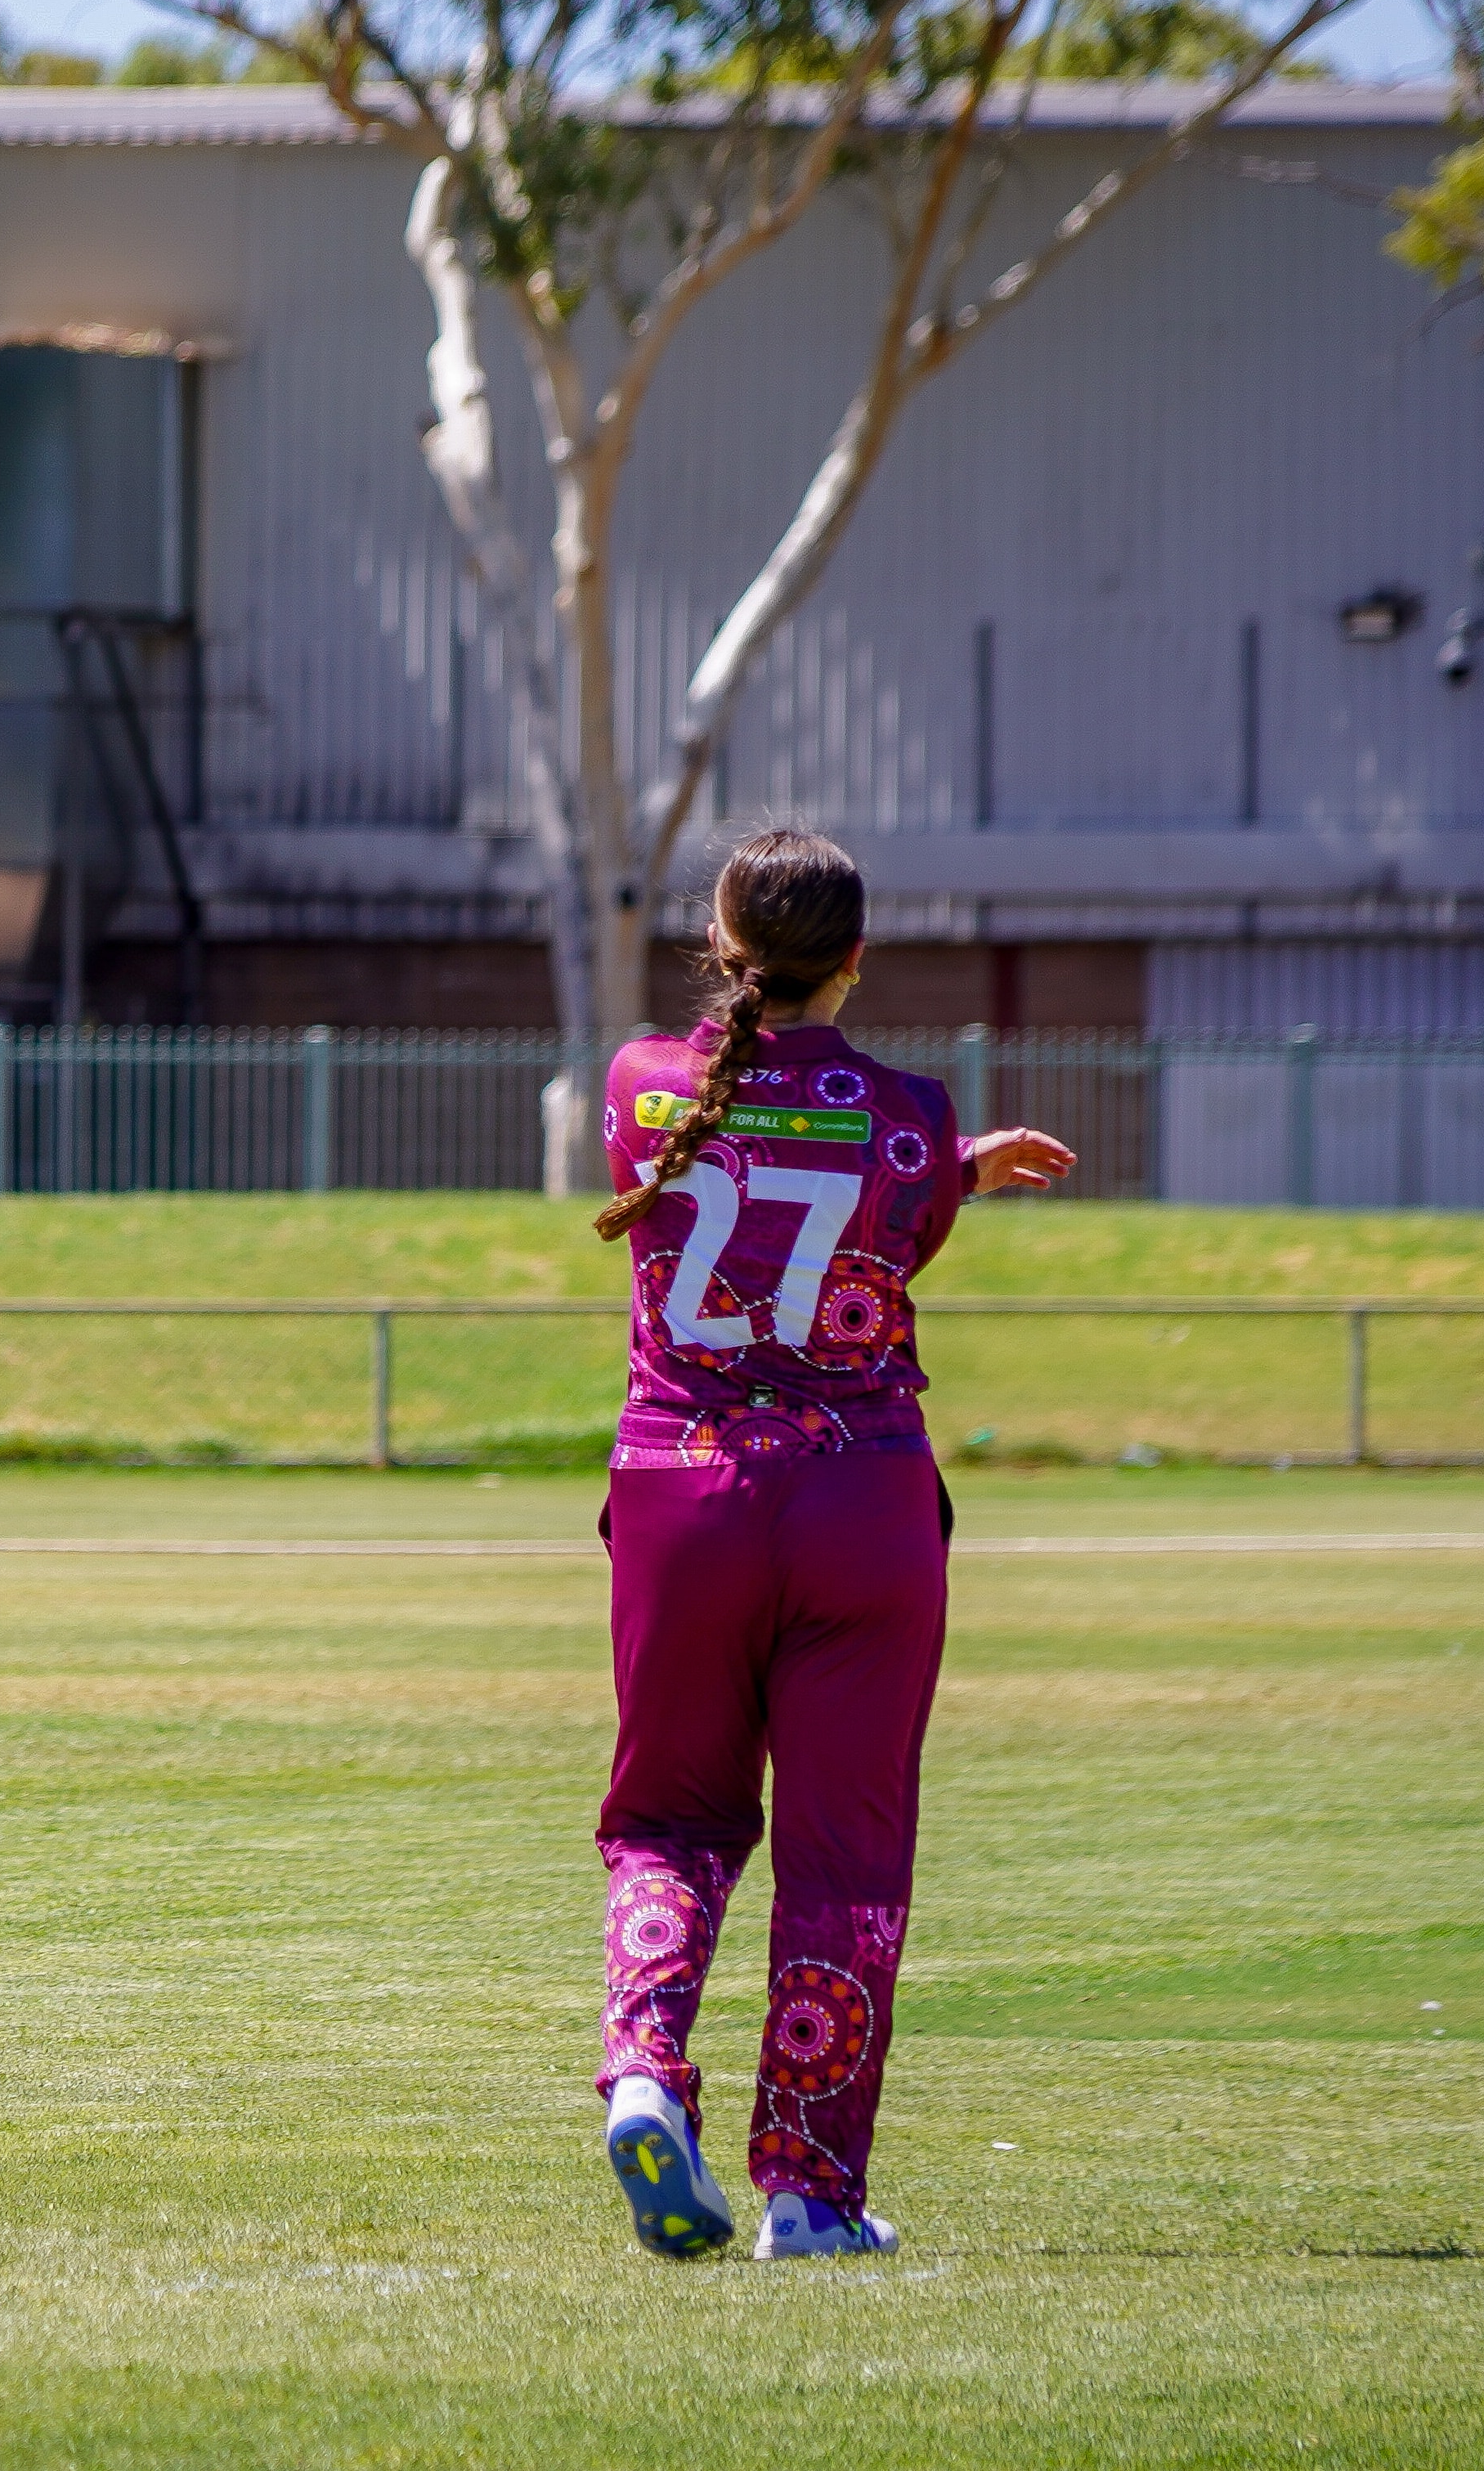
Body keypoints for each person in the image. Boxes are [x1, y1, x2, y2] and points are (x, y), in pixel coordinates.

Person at [582, 829, 1074, 2261]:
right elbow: (871, 1206)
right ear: (856, 958)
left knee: (670, 1822)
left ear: (721, 949)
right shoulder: (910, 1118)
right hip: (858, 1501)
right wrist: (965, 1165)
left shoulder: (637, 1084)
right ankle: (808, 2192)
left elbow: (725, 1160)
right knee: (843, 1859)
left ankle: (638, 2079)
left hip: (679, 1499)